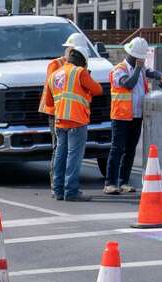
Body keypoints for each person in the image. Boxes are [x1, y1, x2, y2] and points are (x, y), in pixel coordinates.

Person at [106, 37, 162, 195]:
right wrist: (137, 69)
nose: (141, 61)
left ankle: (123, 182)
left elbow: (150, 72)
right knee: (117, 149)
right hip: (121, 117)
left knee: (130, 150)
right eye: (139, 58)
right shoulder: (118, 70)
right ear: (132, 55)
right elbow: (129, 84)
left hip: (137, 115)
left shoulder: (140, 69)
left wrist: (160, 75)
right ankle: (110, 183)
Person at [50, 37, 102, 202]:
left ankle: (58, 190)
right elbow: (98, 89)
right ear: (82, 61)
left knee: (60, 155)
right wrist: (87, 75)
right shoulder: (79, 72)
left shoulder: (55, 74)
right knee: (74, 157)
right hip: (77, 121)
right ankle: (71, 191)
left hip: (60, 121)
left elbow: (50, 101)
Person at [40, 37, 74, 189]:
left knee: (67, 148)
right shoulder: (56, 65)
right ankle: (56, 183)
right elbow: (54, 88)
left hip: (70, 112)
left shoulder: (78, 66)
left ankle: (62, 182)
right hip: (56, 112)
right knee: (59, 147)